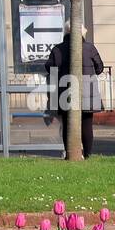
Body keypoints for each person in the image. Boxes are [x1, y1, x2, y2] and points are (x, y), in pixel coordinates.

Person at [43, 21, 104, 159]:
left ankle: (70, 154)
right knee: (87, 124)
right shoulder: (90, 48)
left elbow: (50, 68)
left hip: (66, 91)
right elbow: (99, 68)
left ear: (66, 32)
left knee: (67, 124)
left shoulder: (58, 49)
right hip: (87, 91)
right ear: (82, 32)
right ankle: (88, 155)